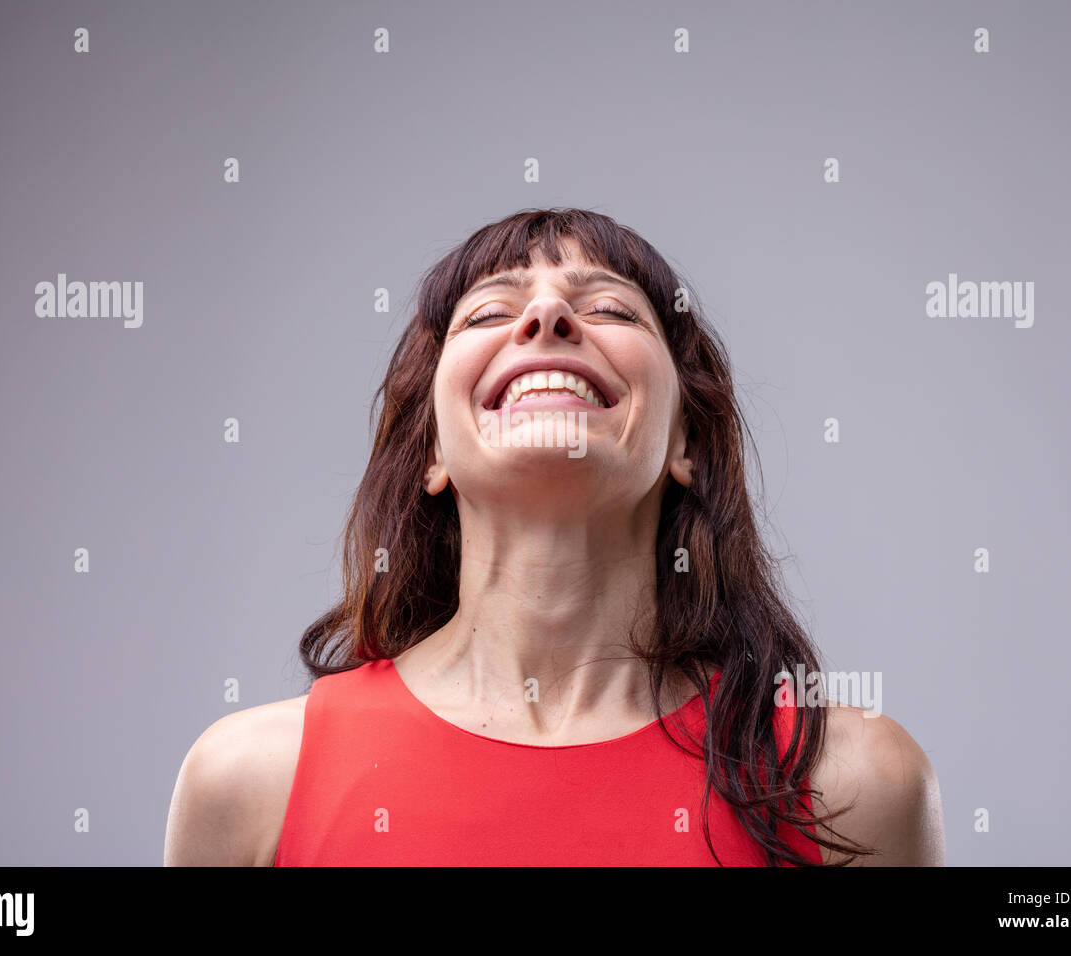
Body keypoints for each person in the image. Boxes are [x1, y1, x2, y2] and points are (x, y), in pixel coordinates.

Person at [164, 208, 946, 866]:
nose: (547, 317)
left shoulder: (851, 782)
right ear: (432, 450)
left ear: (686, 444)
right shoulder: (248, 781)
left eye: (609, 307)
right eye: (490, 312)